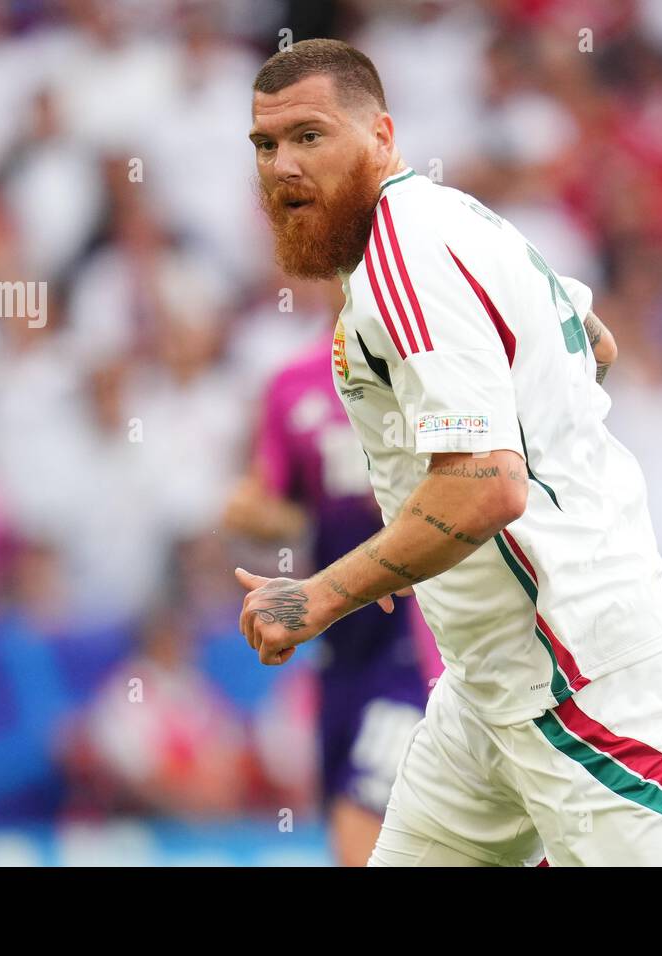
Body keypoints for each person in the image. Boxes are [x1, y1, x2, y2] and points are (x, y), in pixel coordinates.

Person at [236, 38, 662, 866]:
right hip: (489, 680)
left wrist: (323, 596)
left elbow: (487, 486)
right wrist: (418, 542)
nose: (283, 165)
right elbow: (591, 341)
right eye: (265, 145)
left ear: (382, 138)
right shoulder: (453, 219)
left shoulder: (403, 254)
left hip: (562, 656)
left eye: (310, 137)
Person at [224, 306, 428, 866]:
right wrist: (290, 511)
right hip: (338, 651)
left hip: (418, 649)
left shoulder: (430, 366)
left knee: (361, 818)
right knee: (351, 825)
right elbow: (262, 500)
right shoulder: (292, 382)